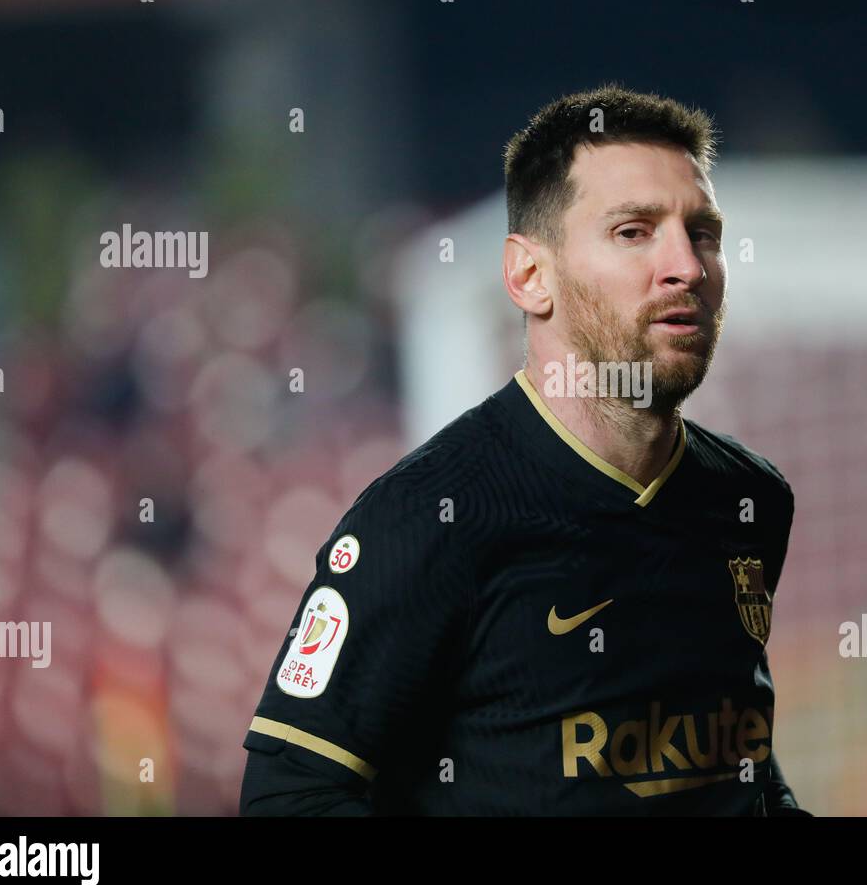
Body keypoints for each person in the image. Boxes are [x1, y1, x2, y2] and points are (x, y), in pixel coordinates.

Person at [240, 84, 811, 815]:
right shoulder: (424, 520)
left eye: (702, 233)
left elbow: (737, 774)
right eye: (634, 231)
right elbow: (289, 800)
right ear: (529, 276)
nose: (688, 267)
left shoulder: (751, 501)